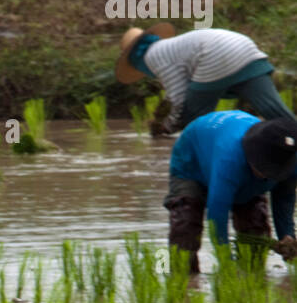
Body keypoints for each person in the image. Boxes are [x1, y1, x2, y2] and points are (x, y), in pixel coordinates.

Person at [164, 112, 297, 273]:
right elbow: (217, 216)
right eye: (262, 169)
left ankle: (253, 280)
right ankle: (182, 280)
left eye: (272, 173)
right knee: (185, 227)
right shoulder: (230, 159)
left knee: (256, 231)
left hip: (235, 166)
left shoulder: (290, 160)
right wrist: (226, 263)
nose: (264, 175)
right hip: (192, 162)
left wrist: (288, 239)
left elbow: (284, 200)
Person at [116, 24, 297, 136]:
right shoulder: (169, 46)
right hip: (245, 48)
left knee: (194, 120)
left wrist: (167, 127)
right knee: (276, 113)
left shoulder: (153, 55)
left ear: (135, 59)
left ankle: (198, 160)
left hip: (214, 56)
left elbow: (177, 95)